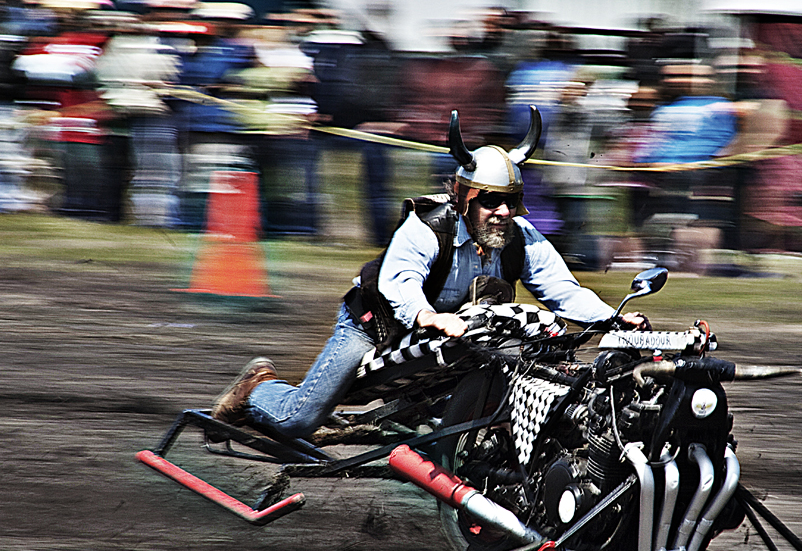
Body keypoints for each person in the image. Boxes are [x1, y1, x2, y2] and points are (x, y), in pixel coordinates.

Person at [210, 106, 649, 441]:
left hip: (447, 341)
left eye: (511, 201)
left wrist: (612, 318)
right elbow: (398, 283)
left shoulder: (522, 237)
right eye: (490, 200)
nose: (502, 212)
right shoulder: (426, 227)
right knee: (299, 420)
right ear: (464, 197)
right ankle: (257, 387)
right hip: (374, 327)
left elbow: (562, 289)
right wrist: (429, 316)